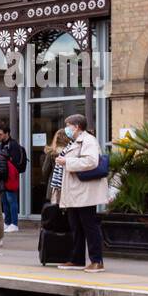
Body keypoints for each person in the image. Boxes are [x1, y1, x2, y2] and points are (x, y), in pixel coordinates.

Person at [55, 113, 107, 272]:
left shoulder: (88, 140)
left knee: (89, 226)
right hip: (75, 192)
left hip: (84, 192)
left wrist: (67, 161)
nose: (67, 129)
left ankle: (97, 261)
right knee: (76, 226)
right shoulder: (75, 141)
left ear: (76, 127)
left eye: (68, 125)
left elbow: (91, 161)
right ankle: (77, 259)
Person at [0, 122, 27, 232]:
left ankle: (14, 223)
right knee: (4, 200)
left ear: (7, 133)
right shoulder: (1, 144)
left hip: (10, 176)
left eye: (0, 134)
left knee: (11, 200)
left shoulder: (13, 145)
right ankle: (7, 222)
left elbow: (15, 162)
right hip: (4, 176)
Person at [41, 128, 69, 204]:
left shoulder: (51, 153)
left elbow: (45, 171)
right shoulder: (71, 152)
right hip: (68, 186)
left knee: (54, 209)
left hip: (54, 187)